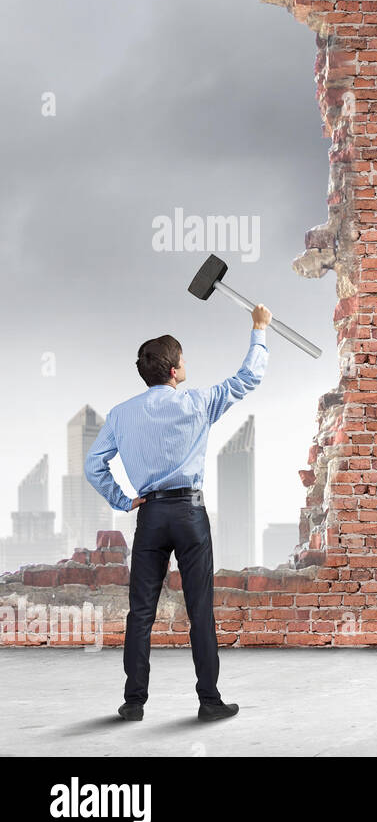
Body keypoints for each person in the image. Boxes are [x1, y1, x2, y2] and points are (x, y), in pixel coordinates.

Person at [84, 304, 271, 722]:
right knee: (200, 608)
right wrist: (259, 329)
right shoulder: (198, 403)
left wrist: (122, 499)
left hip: (149, 516)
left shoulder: (121, 414)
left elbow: (93, 465)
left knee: (141, 611)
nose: (186, 366)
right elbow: (248, 379)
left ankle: (134, 702)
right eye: (182, 360)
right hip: (189, 513)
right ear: (173, 370)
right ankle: (209, 701)